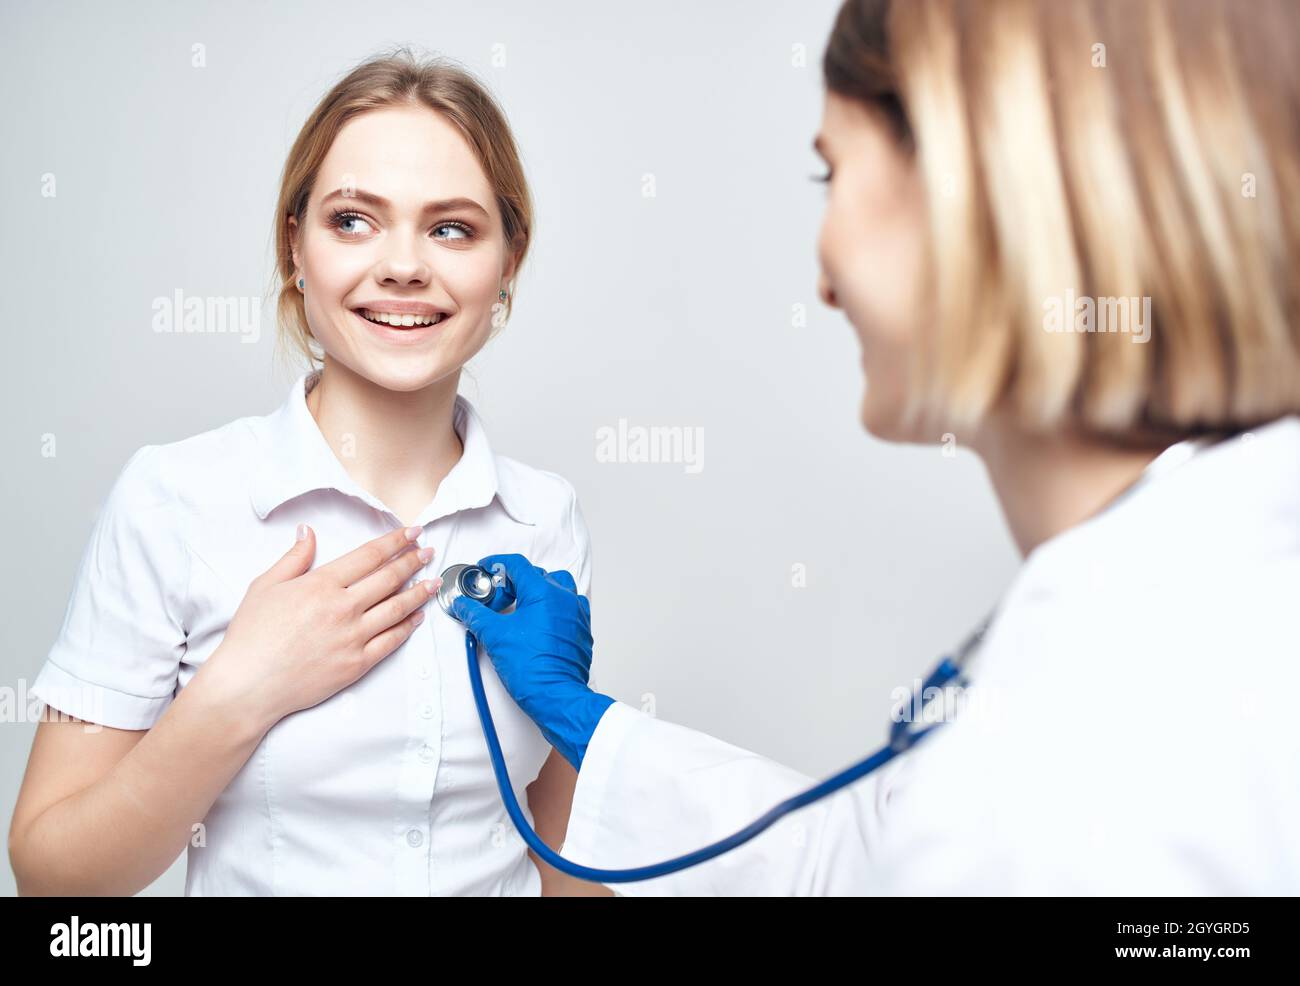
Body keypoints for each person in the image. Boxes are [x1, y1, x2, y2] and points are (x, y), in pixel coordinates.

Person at [452, 0, 1300, 894]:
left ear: (979, 193)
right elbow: (861, 859)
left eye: (833, 173)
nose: (822, 278)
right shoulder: (1175, 599)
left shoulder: (1120, 712)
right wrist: (585, 722)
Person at [10, 50, 609, 897]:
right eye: (354, 220)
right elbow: (52, 876)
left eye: (451, 228)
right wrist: (240, 691)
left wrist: (578, 722)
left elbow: (565, 856)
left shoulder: (546, 518)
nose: (403, 266)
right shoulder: (173, 501)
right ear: (295, 245)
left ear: (509, 261)